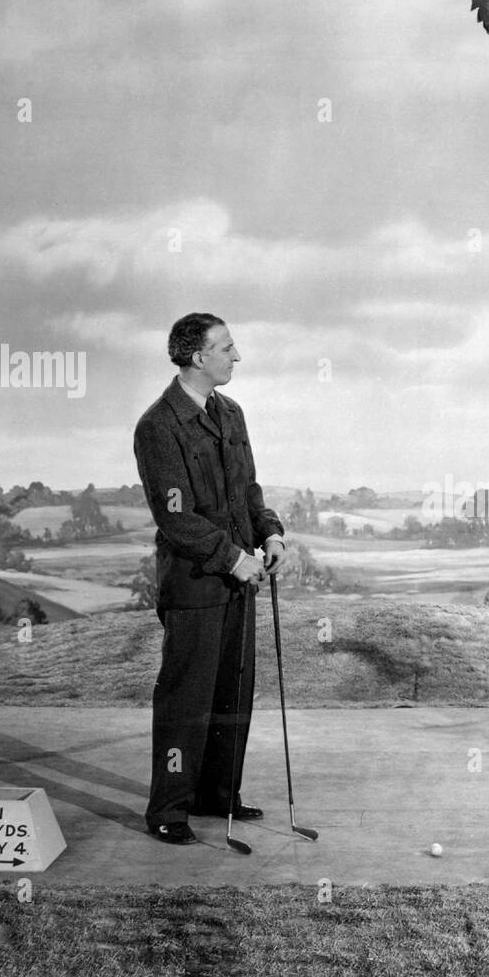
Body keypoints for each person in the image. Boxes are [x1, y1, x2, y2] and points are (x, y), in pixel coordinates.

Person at [133, 313, 287, 844]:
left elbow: (248, 490)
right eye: (226, 348)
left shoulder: (231, 414)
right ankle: (168, 811)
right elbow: (175, 517)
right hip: (196, 582)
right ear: (198, 358)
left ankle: (217, 796)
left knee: (232, 693)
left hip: (238, 577)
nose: (236, 356)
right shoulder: (159, 426)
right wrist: (231, 557)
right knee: (186, 699)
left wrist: (270, 535)